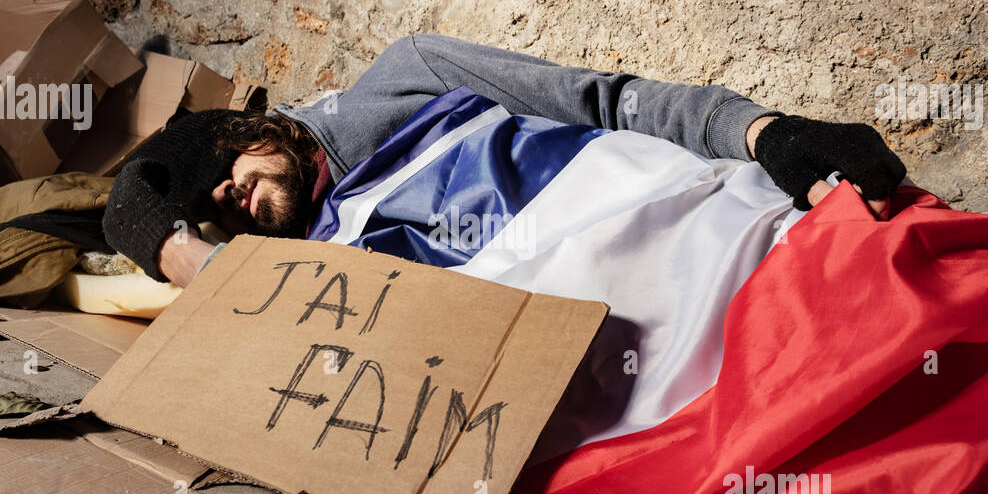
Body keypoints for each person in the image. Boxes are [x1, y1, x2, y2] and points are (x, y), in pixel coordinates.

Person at [102, 34, 907, 287]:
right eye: (215, 214)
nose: (229, 197)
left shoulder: (409, 74)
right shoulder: (311, 265)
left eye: (227, 173)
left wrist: (769, 133)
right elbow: (122, 212)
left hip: (668, 221)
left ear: (258, 135)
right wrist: (186, 257)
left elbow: (607, 100)